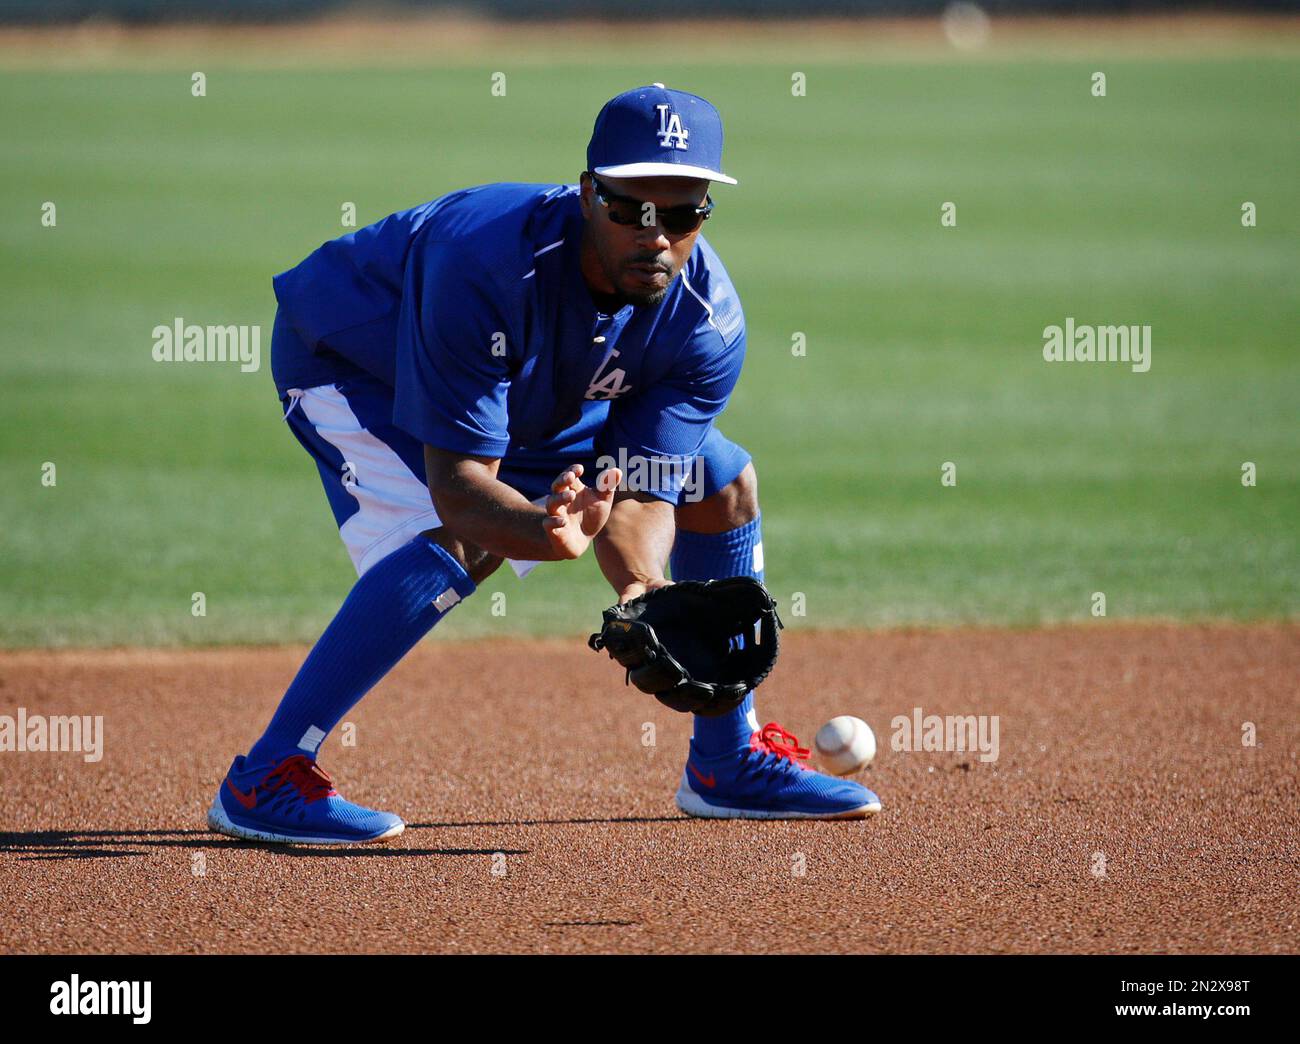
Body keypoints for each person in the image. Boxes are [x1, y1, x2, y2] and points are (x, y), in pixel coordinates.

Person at [207, 84, 881, 845]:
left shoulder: (706, 323)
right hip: (356, 359)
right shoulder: (487, 262)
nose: (656, 235)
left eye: (683, 212)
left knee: (721, 482)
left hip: (545, 380)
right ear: (589, 194)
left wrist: (644, 589)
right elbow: (463, 492)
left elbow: (646, 490)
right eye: (632, 209)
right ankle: (265, 777)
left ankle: (726, 763)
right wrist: (539, 526)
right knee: (472, 538)